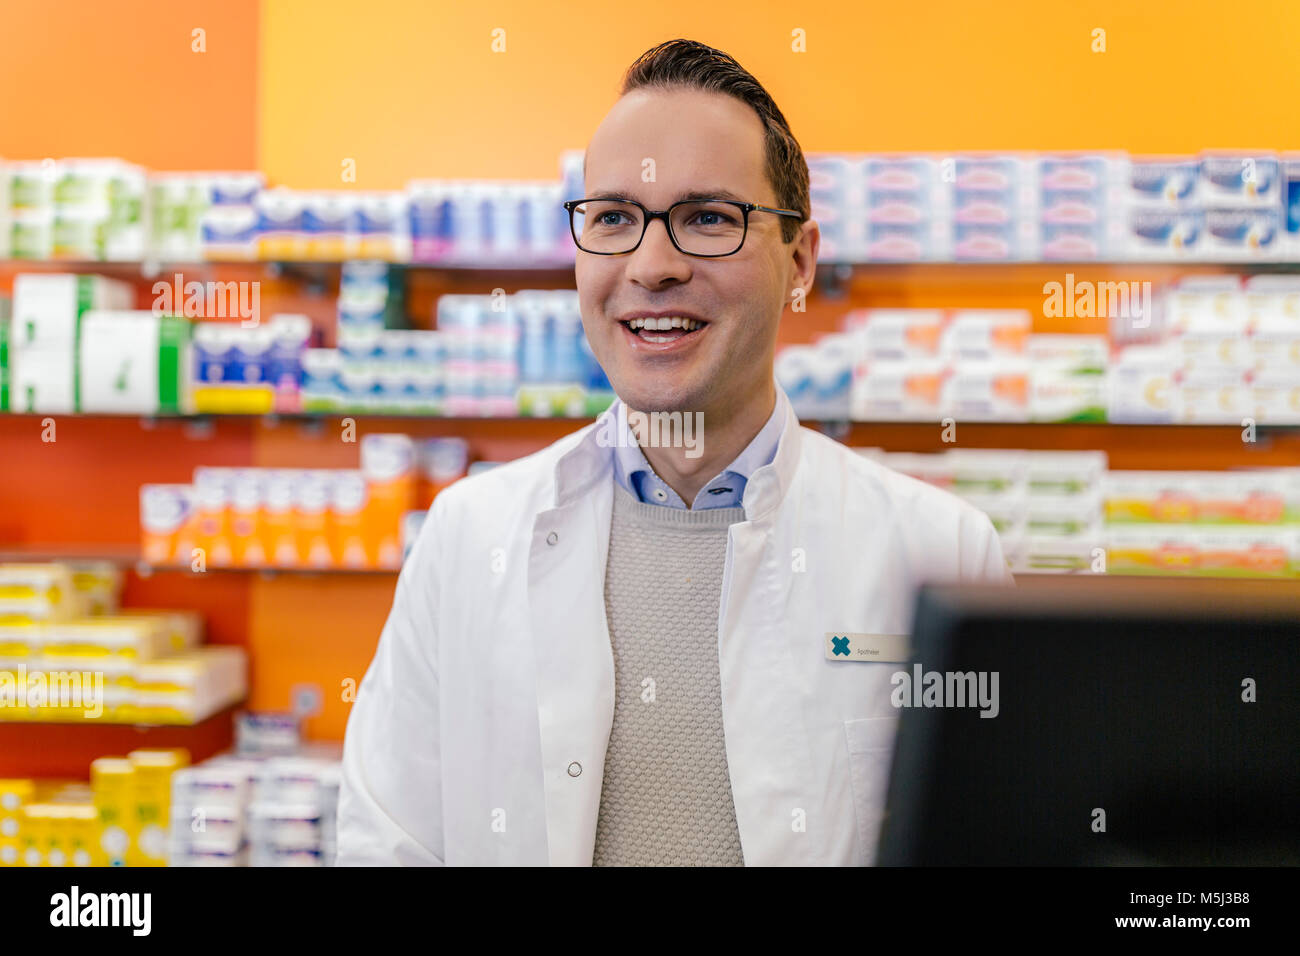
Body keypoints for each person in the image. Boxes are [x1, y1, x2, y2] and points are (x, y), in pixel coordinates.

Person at [337, 37, 1010, 867]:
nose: (652, 267)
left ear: (800, 261)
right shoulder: (468, 537)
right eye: (614, 219)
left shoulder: (941, 550)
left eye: (708, 219)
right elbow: (385, 840)